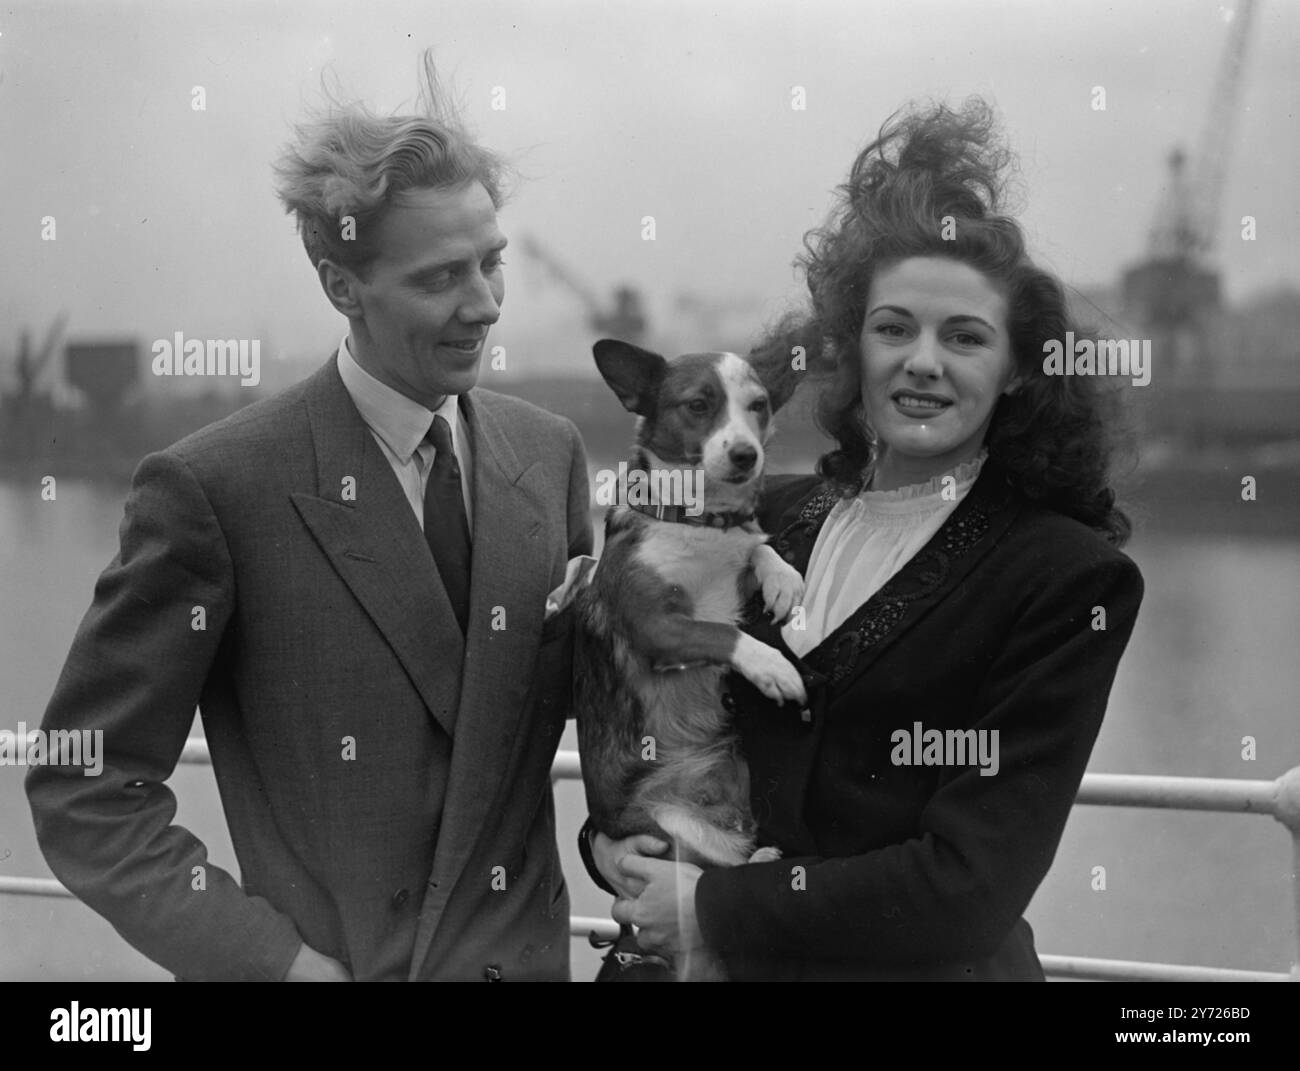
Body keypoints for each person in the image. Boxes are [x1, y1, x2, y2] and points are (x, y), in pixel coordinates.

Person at [26, 55, 592, 982]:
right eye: (441, 276)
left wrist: (636, 847)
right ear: (341, 285)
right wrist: (274, 963)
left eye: (492, 262)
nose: (485, 304)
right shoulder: (216, 487)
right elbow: (84, 785)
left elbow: (595, 719)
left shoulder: (553, 454)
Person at [584, 99, 1143, 981]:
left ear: (1017, 372)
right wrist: (615, 849)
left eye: (964, 336)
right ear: (850, 347)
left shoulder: (1069, 580)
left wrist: (708, 910)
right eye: (894, 328)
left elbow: (969, 885)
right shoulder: (765, 515)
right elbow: (640, 711)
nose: (923, 360)